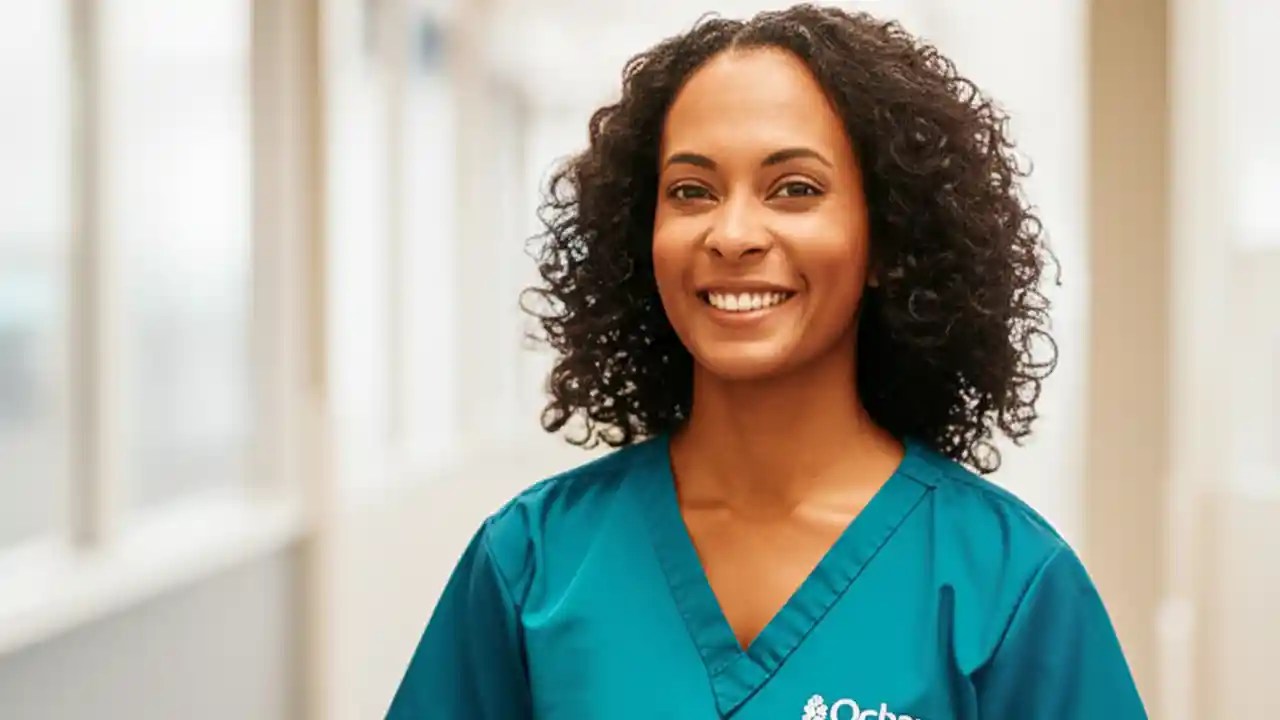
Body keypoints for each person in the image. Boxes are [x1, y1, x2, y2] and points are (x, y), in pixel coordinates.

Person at [388, 5, 1146, 718]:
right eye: (691, 191)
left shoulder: (1005, 584)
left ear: (885, 239)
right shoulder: (534, 564)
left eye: (794, 189)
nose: (733, 234)